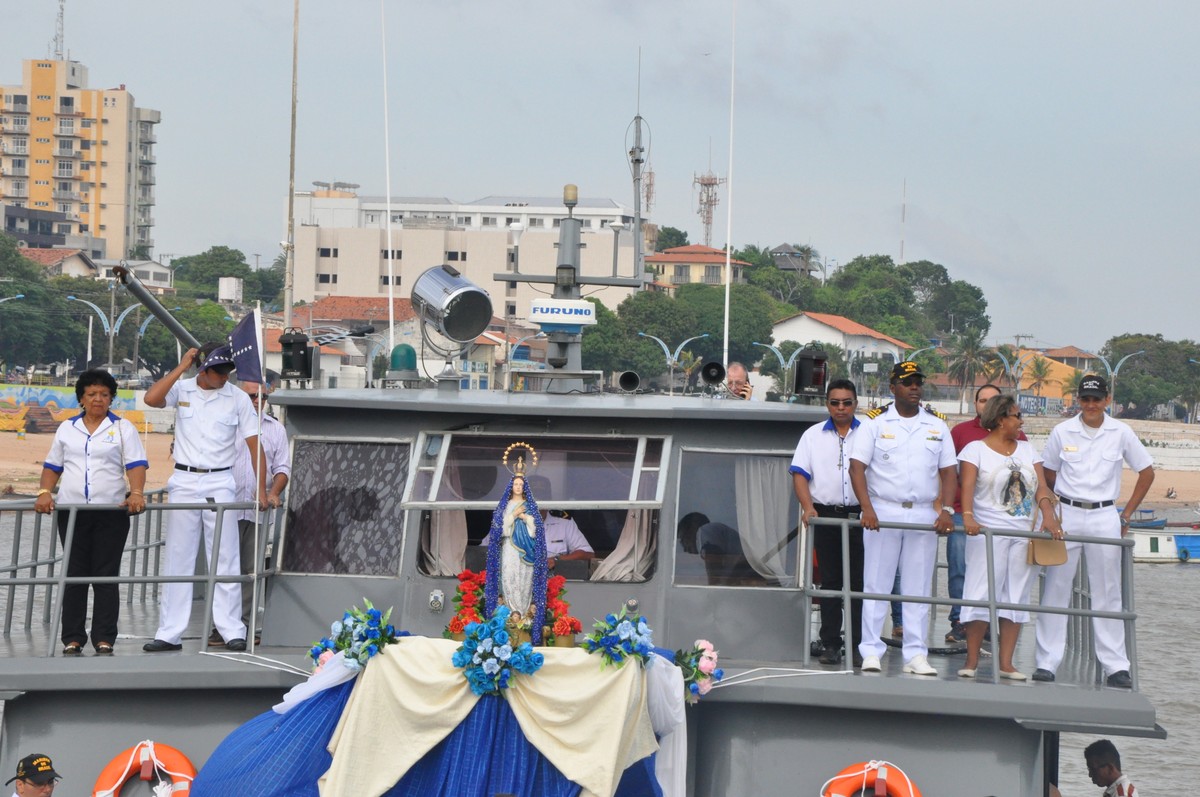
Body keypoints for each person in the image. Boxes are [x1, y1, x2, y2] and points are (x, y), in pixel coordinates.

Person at [142, 344, 266, 653]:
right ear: (203, 369)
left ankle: (230, 630)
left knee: (225, 557)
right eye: (219, 372)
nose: (225, 377)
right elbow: (152, 399)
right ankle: (169, 632)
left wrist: (260, 490)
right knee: (178, 558)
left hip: (220, 480)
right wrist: (181, 366)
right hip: (184, 479)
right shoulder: (182, 388)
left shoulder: (237, 397)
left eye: (228, 372)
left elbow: (255, 445)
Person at [1034, 374, 1153, 688]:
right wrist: (1055, 511)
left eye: (1096, 399)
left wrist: (1127, 513)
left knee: (1107, 592)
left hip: (1104, 515)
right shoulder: (1062, 431)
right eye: (1085, 399)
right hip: (1068, 514)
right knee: (1055, 589)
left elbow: (1147, 471)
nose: (1090, 405)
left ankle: (1116, 666)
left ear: (1107, 400)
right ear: (1078, 400)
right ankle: (1046, 662)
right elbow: (1047, 474)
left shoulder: (1121, 432)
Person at [849, 360, 957, 675]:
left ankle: (915, 654)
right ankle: (870, 651)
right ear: (893, 387)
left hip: (923, 511)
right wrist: (866, 507)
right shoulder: (875, 424)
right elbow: (858, 467)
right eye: (908, 383)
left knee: (918, 587)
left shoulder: (937, 425)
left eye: (918, 383)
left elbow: (949, 472)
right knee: (876, 584)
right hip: (883, 510)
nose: (914, 388)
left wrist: (947, 509)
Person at [34, 369, 148, 655]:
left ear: (111, 398)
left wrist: (136, 493)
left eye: (104, 394)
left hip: (110, 512)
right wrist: (45, 492)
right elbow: (52, 466)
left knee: (105, 575)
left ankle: (104, 637)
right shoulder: (66, 428)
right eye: (92, 394)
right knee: (74, 574)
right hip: (72, 513)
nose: (98, 399)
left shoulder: (123, 428)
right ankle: (72, 637)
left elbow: (135, 464)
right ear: (81, 398)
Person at [957, 393, 1061, 680]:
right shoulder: (974, 450)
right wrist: (967, 516)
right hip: (986, 533)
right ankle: (972, 660)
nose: (1021, 421)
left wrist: (1048, 514)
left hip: (1022, 534)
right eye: (1016, 416)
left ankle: (1006, 663)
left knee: (1016, 597)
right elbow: (966, 488)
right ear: (1001, 419)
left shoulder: (1028, 450)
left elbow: (1041, 487)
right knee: (979, 593)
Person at [209, 379, 290, 647]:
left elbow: (282, 469)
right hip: (225, 509)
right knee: (223, 569)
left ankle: (243, 625)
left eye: (262, 397)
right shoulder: (225, 425)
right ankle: (220, 627)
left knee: (250, 571)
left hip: (257, 510)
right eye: (252, 396)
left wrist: (273, 492)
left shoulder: (275, 430)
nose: (257, 401)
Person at [790, 378, 864, 667]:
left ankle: (859, 646)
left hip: (861, 517)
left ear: (856, 403)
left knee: (860, 585)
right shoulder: (812, 435)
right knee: (831, 583)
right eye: (835, 402)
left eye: (847, 402)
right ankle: (831, 644)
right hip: (827, 516)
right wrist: (808, 508)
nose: (841, 407)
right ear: (827, 404)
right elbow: (799, 474)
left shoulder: (869, 433)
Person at [947, 383, 1028, 644]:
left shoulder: (1022, 442)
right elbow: (950, 474)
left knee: (1009, 584)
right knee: (962, 570)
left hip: (1013, 522)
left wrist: (1047, 509)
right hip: (965, 514)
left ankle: (994, 634)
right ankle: (959, 621)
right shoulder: (961, 433)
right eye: (982, 400)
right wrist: (949, 508)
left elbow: (1035, 481)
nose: (986, 404)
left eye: (991, 400)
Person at [483, 473, 549, 643]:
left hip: (527, 551)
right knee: (510, 577)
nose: (518, 487)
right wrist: (513, 515)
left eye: (521, 484)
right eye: (516, 484)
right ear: (511, 487)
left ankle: (524, 617)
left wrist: (524, 516)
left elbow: (537, 528)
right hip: (510, 549)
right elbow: (499, 528)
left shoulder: (530, 506)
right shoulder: (504, 506)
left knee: (524, 580)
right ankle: (511, 615)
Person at [480, 477, 593, 569]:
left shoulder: (564, 523)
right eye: (532, 499)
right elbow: (482, 552)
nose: (536, 504)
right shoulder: (507, 521)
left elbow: (587, 554)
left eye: (541, 499)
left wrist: (557, 560)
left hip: (552, 581)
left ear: (549, 500)